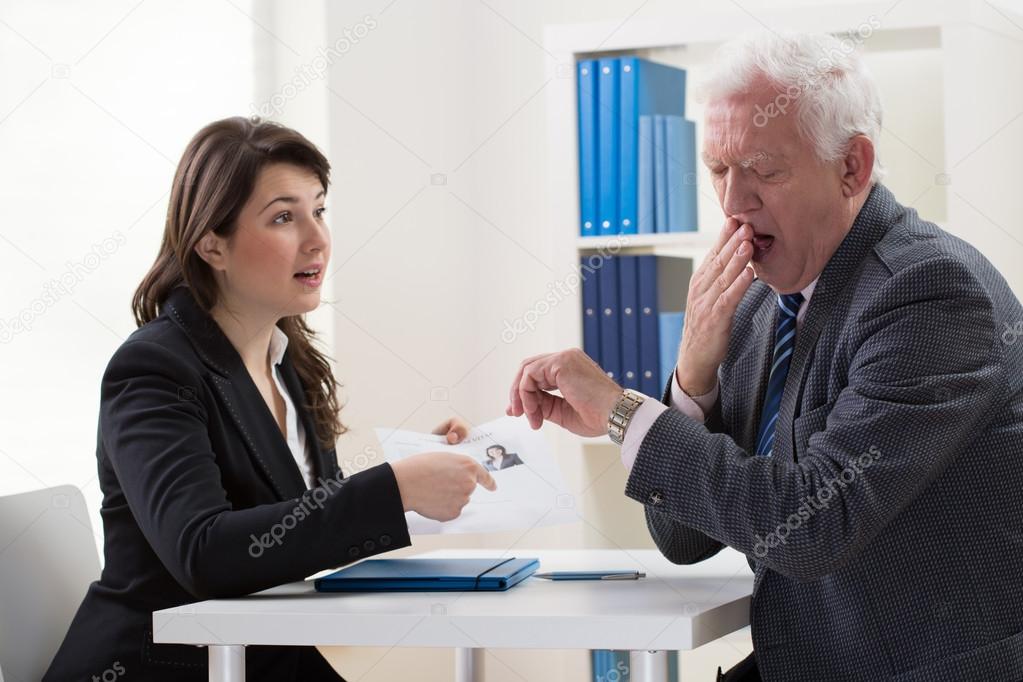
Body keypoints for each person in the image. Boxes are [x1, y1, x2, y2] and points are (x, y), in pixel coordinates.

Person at [507, 31, 1023, 681]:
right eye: (718, 170)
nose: (732, 203)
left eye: (764, 170)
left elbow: (814, 525)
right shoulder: (755, 303)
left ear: (852, 167)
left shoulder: (929, 292)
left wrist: (623, 413)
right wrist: (692, 376)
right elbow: (683, 539)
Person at [45, 117, 496, 681]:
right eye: (284, 217)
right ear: (212, 244)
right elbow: (204, 552)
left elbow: (297, 527)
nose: (317, 238)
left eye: (319, 210)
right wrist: (394, 488)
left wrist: (417, 477)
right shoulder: (153, 367)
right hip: (165, 667)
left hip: (258, 657)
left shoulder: (287, 359)